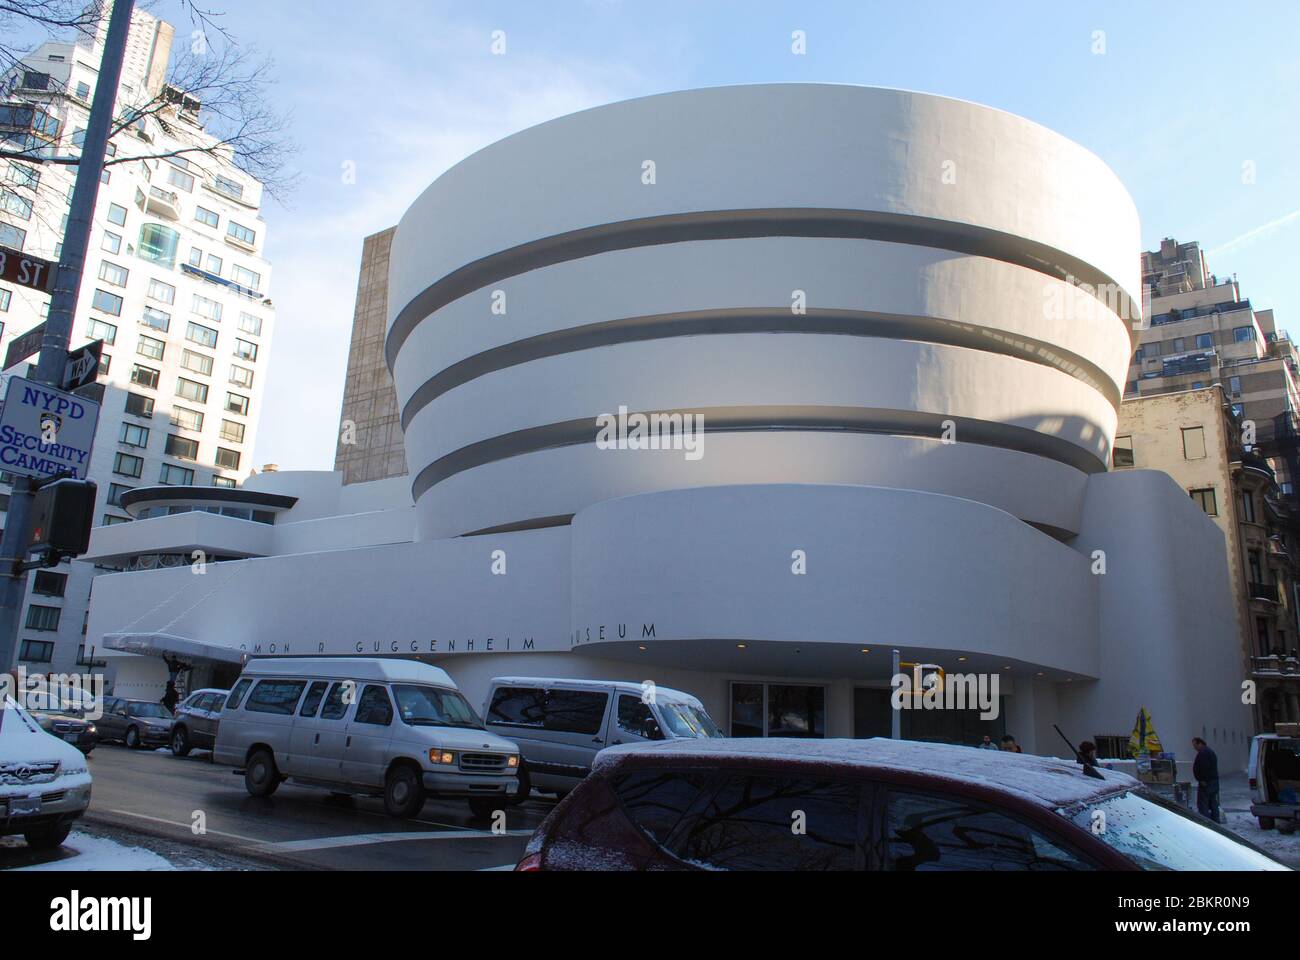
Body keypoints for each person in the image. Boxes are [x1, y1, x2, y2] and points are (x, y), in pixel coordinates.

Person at [1193, 737, 1221, 823]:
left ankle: (1206, 823)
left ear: (1200, 743)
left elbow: (1204, 768)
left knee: (1204, 804)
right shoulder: (1210, 751)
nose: (1194, 748)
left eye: (1195, 745)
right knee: (1213, 803)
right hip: (1213, 782)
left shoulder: (1203, 753)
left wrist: (1202, 779)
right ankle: (1216, 821)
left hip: (1207, 783)